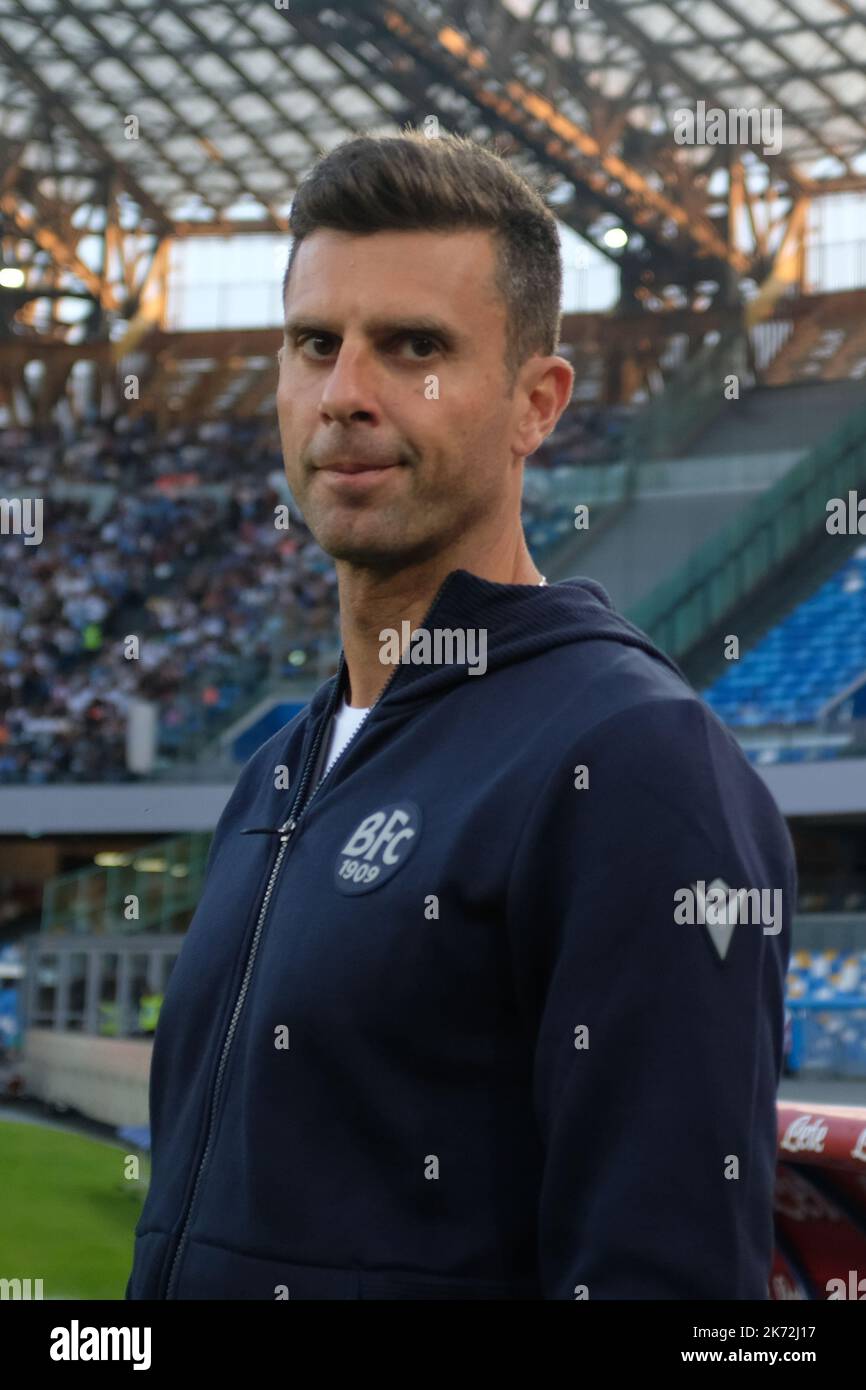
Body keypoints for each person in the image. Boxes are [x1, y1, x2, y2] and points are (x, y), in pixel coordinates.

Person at [126, 131, 795, 1300]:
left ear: (535, 403)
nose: (345, 394)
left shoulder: (632, 762)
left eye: (413, 348)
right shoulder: (276, 771)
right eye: (314, 345)